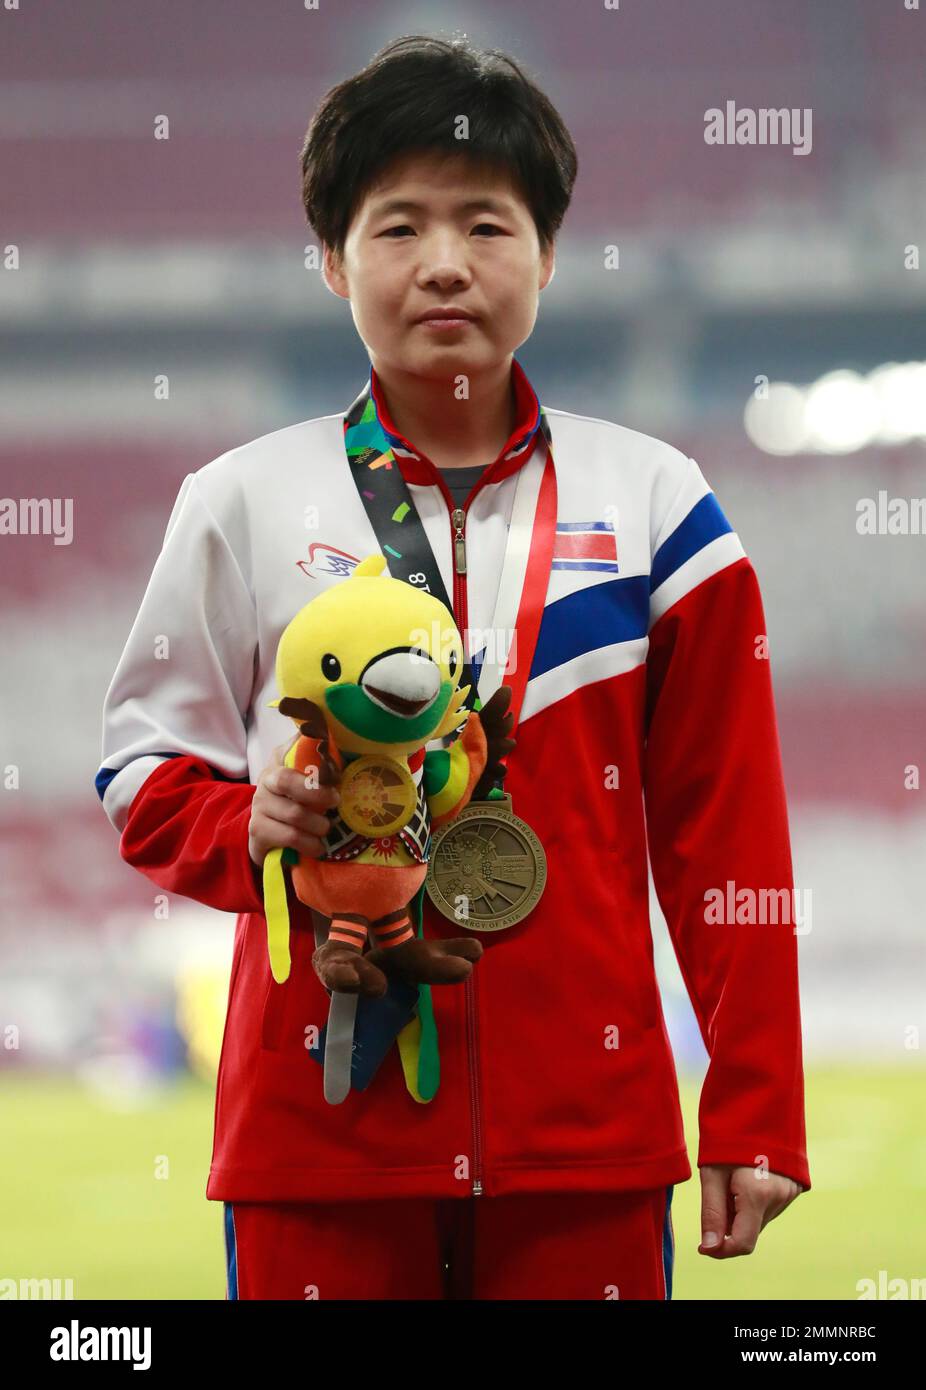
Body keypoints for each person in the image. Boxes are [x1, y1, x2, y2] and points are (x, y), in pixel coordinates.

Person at [95, 34, 810, 1301]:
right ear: (332, 260)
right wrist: (242, 825)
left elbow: (726, 831)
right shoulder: (240, 501)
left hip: (582, 1148)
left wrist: (754, 1105)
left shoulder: (658, 503)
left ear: (544, 254)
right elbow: (141, 766)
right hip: (317, 1130)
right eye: (396, 227)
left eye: (485, 225)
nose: (442, 264)